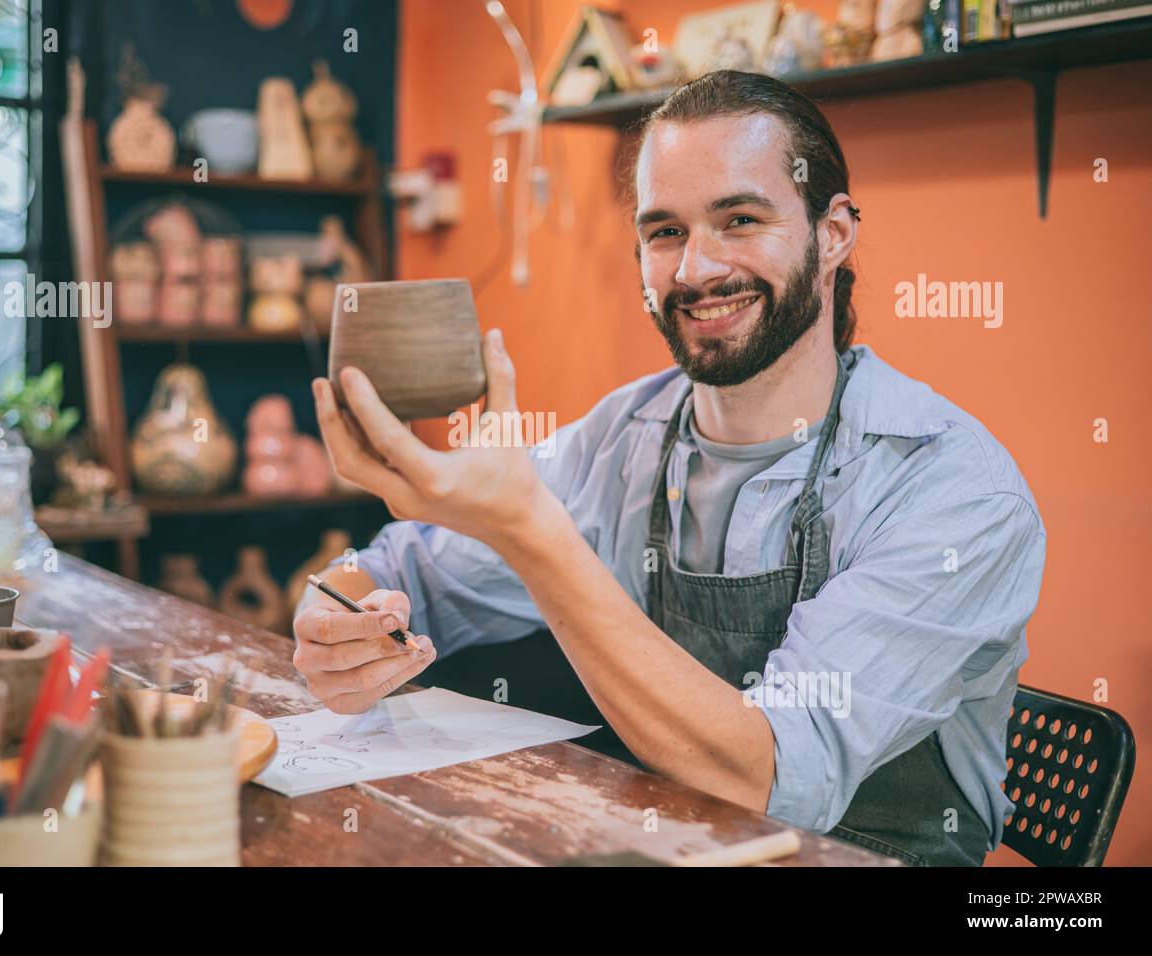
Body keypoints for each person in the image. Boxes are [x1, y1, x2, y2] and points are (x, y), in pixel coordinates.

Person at [293, 70, 1046, 867]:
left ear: (833, 235)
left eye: (741, 219)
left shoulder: (953, 489)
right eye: (665, 233)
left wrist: (531, 532)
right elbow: (407, 571)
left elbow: (767, 774)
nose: (695, 270)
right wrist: (339, 619)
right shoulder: (622, 437)